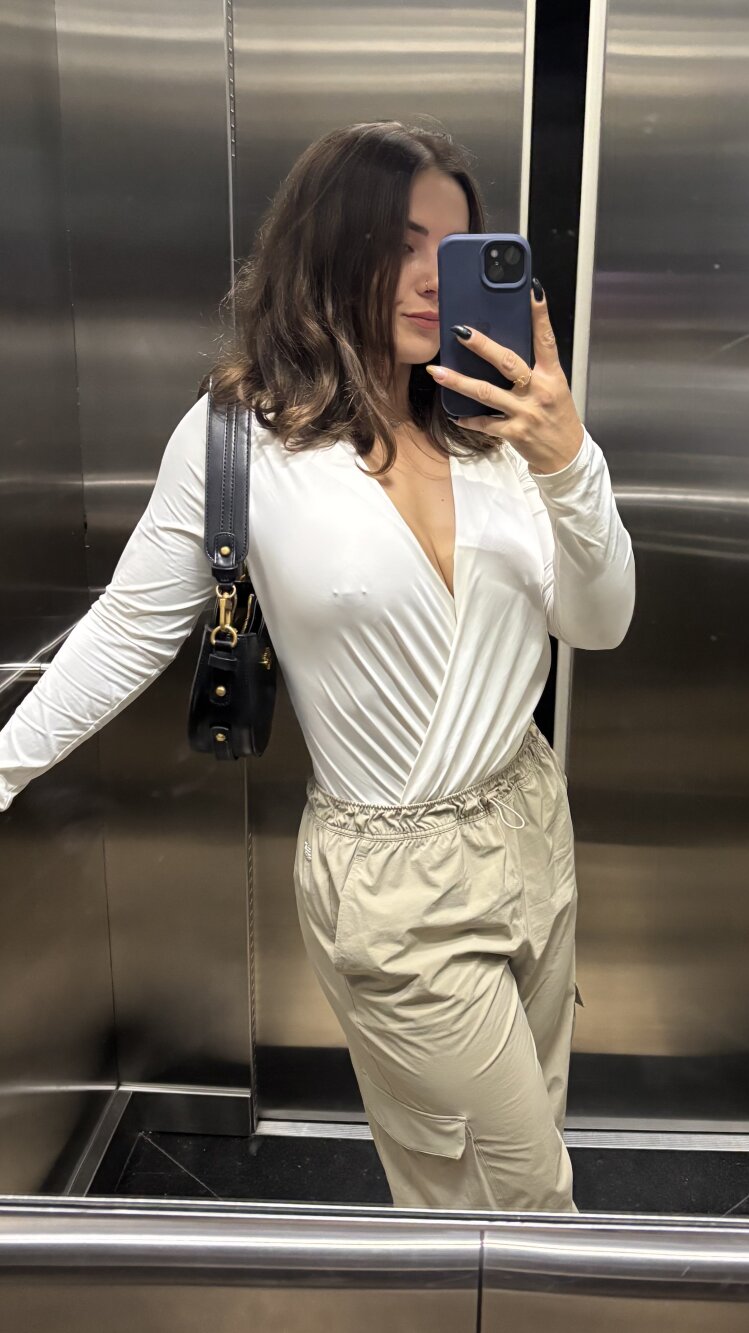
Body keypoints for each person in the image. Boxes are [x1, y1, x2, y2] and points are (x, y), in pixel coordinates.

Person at [0, 121, 635, 1212]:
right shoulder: (240, 438)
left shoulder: (505, 427)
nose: (435, 276)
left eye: (455, 247)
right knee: (523, 1202)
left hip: (532, 824)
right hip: (395, 885)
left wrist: (569, 459)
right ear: (328, 247)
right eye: (402, 242)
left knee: (472, 1177)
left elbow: (600, 620)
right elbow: (126, 632)